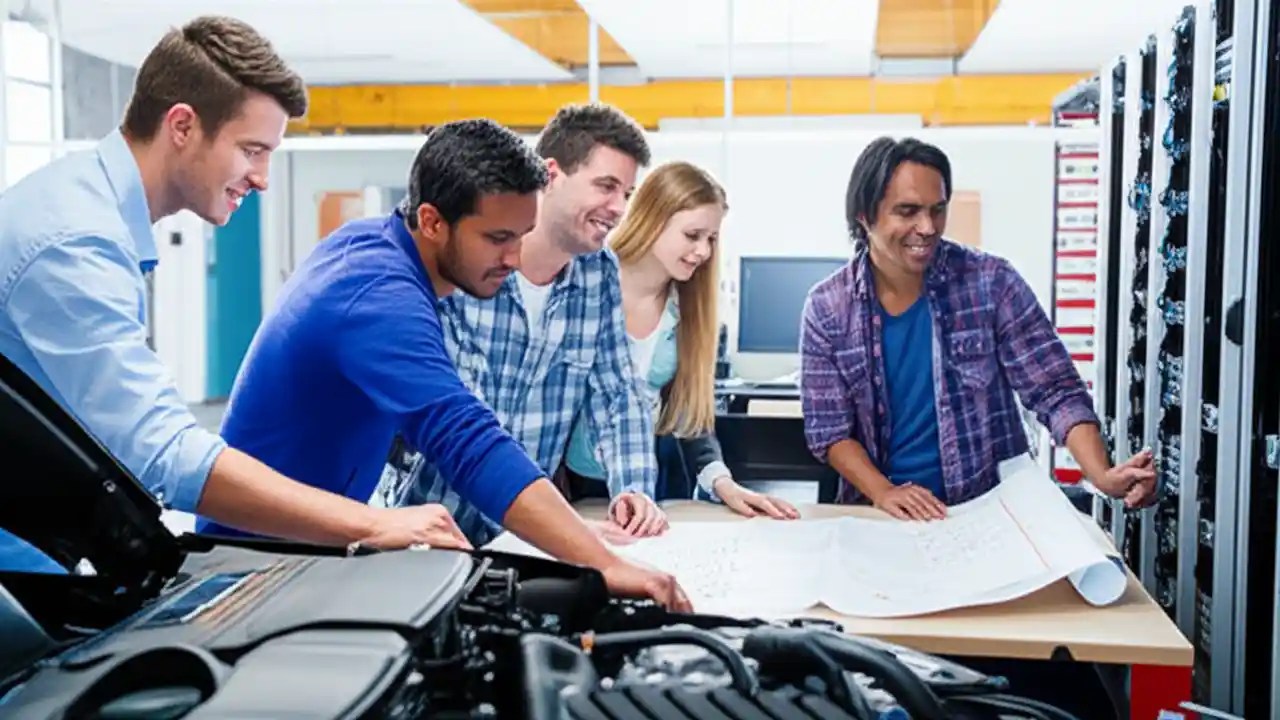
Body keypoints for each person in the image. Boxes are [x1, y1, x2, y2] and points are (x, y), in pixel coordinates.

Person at [0, 15, 470, 574]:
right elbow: (164, 454)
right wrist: (372, 523)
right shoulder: (75, 241)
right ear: (182, 125)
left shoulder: (87, 210)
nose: (264, 177)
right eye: (252, 150)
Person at [205, 118, 689, 610]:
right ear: (434, 222)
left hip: (310, 546)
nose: (515, 257)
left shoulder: (384, 249)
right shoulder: (378, 292)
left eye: (522, 234)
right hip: (249, 564)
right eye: (498, 237)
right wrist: (605, 564)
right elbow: (465, 437)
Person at [799, 136, 1157, 521]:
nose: (927, 227)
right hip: (879, 515)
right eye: (907, 211)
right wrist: (884, 492)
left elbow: (1055, 389)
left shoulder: (991, 283)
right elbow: (830, 432)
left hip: (988, 512)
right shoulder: (827, 309)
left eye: (937, 210)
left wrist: (1101, 474)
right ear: (864, 216)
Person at [377, 103, 667, 546]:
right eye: (606, 186)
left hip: (522, 539)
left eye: (627, 193)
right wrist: (560, 530)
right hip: (428, 532)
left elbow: (617, 393)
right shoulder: (465, 266)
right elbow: (463, 424)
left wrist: (634, 489)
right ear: (551, 175)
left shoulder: (599, 273)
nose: (618, 208)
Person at [561, 160, 799, 520]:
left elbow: (691, 418)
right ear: (653, 220)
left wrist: (724, 483)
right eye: (692, 235)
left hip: (655, 486)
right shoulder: (584, 285)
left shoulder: (689, 311)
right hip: (574, 485)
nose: (703, 251)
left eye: (711, 239)